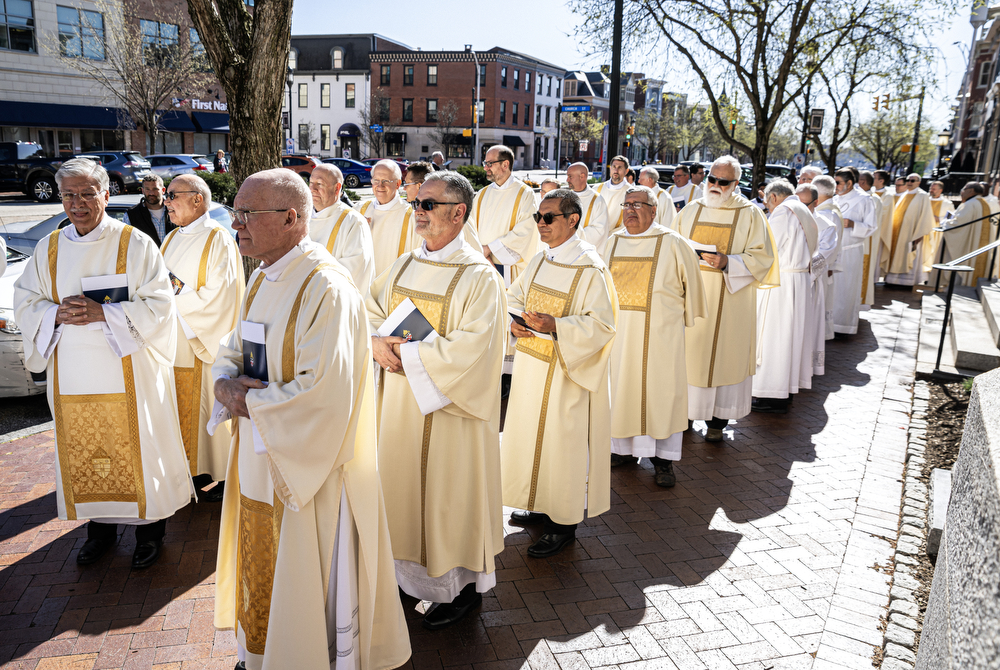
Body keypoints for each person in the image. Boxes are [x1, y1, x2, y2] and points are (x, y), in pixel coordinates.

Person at [211, 168, 410, 670]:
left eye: (247, 214)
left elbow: (326, 392)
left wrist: (247, 401)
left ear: (291, 217)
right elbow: (233, 348)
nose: (237, 224)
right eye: (236, 213)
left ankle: (298, 657)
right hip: (261, 454)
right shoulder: (262, 275)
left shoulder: (327, 287)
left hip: (305, 467)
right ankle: (258, 653)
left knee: (301, 570)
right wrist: (222, 383)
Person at [14, 158, 192, 569]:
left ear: (106, 196)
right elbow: (26, 300)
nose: (77, 203)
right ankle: (99, 533)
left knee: (139, 449)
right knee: (87, 451)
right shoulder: (50, 248)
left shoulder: (135, 244)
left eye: (87, 194)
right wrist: (53, 314)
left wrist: (104, 314)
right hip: (73, 372)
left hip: (129, 368)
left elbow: (161, 306)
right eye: (69, 195)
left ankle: (150, 533)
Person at [367, 172, 506, 629]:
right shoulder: (405, 264)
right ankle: (405, 582)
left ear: (458, 212)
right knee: (401, 492)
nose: (419, 211)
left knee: (449, 499)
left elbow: (475, 349)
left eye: (428, 204)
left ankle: (460, 590)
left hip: (451, 415)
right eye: (417, 204)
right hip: (398, 408)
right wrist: (374, 341)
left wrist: (404, 351)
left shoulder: (480, 278)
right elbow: (369, 306)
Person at [503, 189, 617, 557]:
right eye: (539, 216)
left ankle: (563, 523)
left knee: (562, 446)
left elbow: (602, 326)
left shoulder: (590, 269)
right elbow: (513, 296)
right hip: (532, 368)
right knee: (531, 440)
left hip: (568, 374)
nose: (541, 223)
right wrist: (514, 322)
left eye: (549, 217)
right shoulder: (540, 260)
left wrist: (558, 326)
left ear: (572, 220)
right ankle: (537, 501)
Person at [604, 186, 706, 487]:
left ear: (654, 210)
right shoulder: (612, 242)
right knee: (622, 391)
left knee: (661, 394)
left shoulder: (673, 243)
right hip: (620, 338)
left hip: (660, 337)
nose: (631, 210)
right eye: (627, 204)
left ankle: (663, 461)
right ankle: (622, 451)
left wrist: (680, 319)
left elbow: (694, 288)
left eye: (639, 205)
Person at [675, 156, 777, 442]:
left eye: (723, 182)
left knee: (724, 359)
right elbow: (672, 247)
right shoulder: (690, 210)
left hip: (731, 300)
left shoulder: (750, 214)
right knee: (688, 359)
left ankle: (718, 422)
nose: (716, 186)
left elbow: (763, 257)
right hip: (691, 298)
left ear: (735, 184)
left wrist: (728, 262)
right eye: (712, 179)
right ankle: (684, 417)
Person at [159, 174, 243, 504]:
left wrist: (173, 291)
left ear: (197, 199)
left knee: (209, 409)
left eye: (172, 195)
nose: (166, 201)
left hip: (202, 343)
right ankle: (189, 471)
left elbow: (220, 297)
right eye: (166, 195)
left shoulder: (218, 239)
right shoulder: (170, 239)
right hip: (173, 342)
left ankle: (221, 475)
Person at [752, 180, 817, 413]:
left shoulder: (782, 213)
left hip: (780, 282)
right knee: (789, 337)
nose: (768, 208)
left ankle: (770, 392)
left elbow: (768, 249)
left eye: (767, 203)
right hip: (797, 281)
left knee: (774, 337)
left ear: (774, 198)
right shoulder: (804, 211)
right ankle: (785, 391)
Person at [471, 145, 539, 289]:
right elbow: (469, 226)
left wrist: (489, 249)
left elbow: (526, 231)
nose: (485, 168)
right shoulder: (482, 194)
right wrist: (481, 252)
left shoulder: (524, 194)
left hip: (510, 269)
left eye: (489, 164)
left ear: (505, 164)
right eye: (485, 163)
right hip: (481, 262)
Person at [308, 163, 376, 293]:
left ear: (337, 188)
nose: (313, 189)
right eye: (311, 183)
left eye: (320, 184)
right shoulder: (302, 218)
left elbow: (355, 269)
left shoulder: (354, 222)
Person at [831, 169, 877, 335]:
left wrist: (853, 224)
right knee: (833, 289)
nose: (835, 186)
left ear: (849, 183)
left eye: (838, 182)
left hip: (851, 251)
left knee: (846, 288)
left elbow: (872, 226)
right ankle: (830, 325)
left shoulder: (864, 199)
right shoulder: (834, 199)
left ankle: (844, 325)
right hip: (834, 250)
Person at [882, 173, 934, 287]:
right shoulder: (904, 194)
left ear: (919, 183)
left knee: (909, 255)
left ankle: (906, 282)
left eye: (912, 180)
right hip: (897, 232)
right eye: (908, 180)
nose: (909, 182)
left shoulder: (923, 196)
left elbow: (925, 216)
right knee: (896, 254)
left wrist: (919, 234)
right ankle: (892, 280)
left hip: (911, 233)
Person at [934, 182, 991, 286]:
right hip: (974, 242)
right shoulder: (983, 203)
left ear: (971, 191)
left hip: (968, 244)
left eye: (964, 189)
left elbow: (957, 224)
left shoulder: (969, 204)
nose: (962, 191)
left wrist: (944, 222)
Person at [812, 176, 843, 342]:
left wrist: (808, 272)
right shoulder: (831, 210)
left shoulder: (826, 215)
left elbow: (826, 249)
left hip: (816, 270)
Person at [565, 161, 611, 247]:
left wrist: (570, 235)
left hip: (584, 253)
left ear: (582, 176)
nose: (567, 180)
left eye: (570, 176)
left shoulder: (597, 200)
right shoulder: (565, 198)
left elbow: (599, 231)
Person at [124, 174, 174, 246]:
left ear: (163, 190)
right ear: (142, 191)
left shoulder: (175, 210)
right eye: (147, 189)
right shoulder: (131, 215)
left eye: (155, 189)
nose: (151, 193)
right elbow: (126, 244)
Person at [924, 180, 955, 272]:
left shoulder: (947, 203)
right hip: (925, 230)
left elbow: (951, 218)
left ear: (940, 190)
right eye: (930, 188)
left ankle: (932, 271)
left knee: (935, 252)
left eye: (934, 189)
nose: (931, 190)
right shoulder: (925, 200)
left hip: (938, 233)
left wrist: (939, 219)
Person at [596, 155, 631, 230]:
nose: (616, 171)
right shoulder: (597, 189)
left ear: (626, 171)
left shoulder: (631, 192)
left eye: (620, 168)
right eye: (614, 167)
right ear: (610, 168)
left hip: (618, 236)